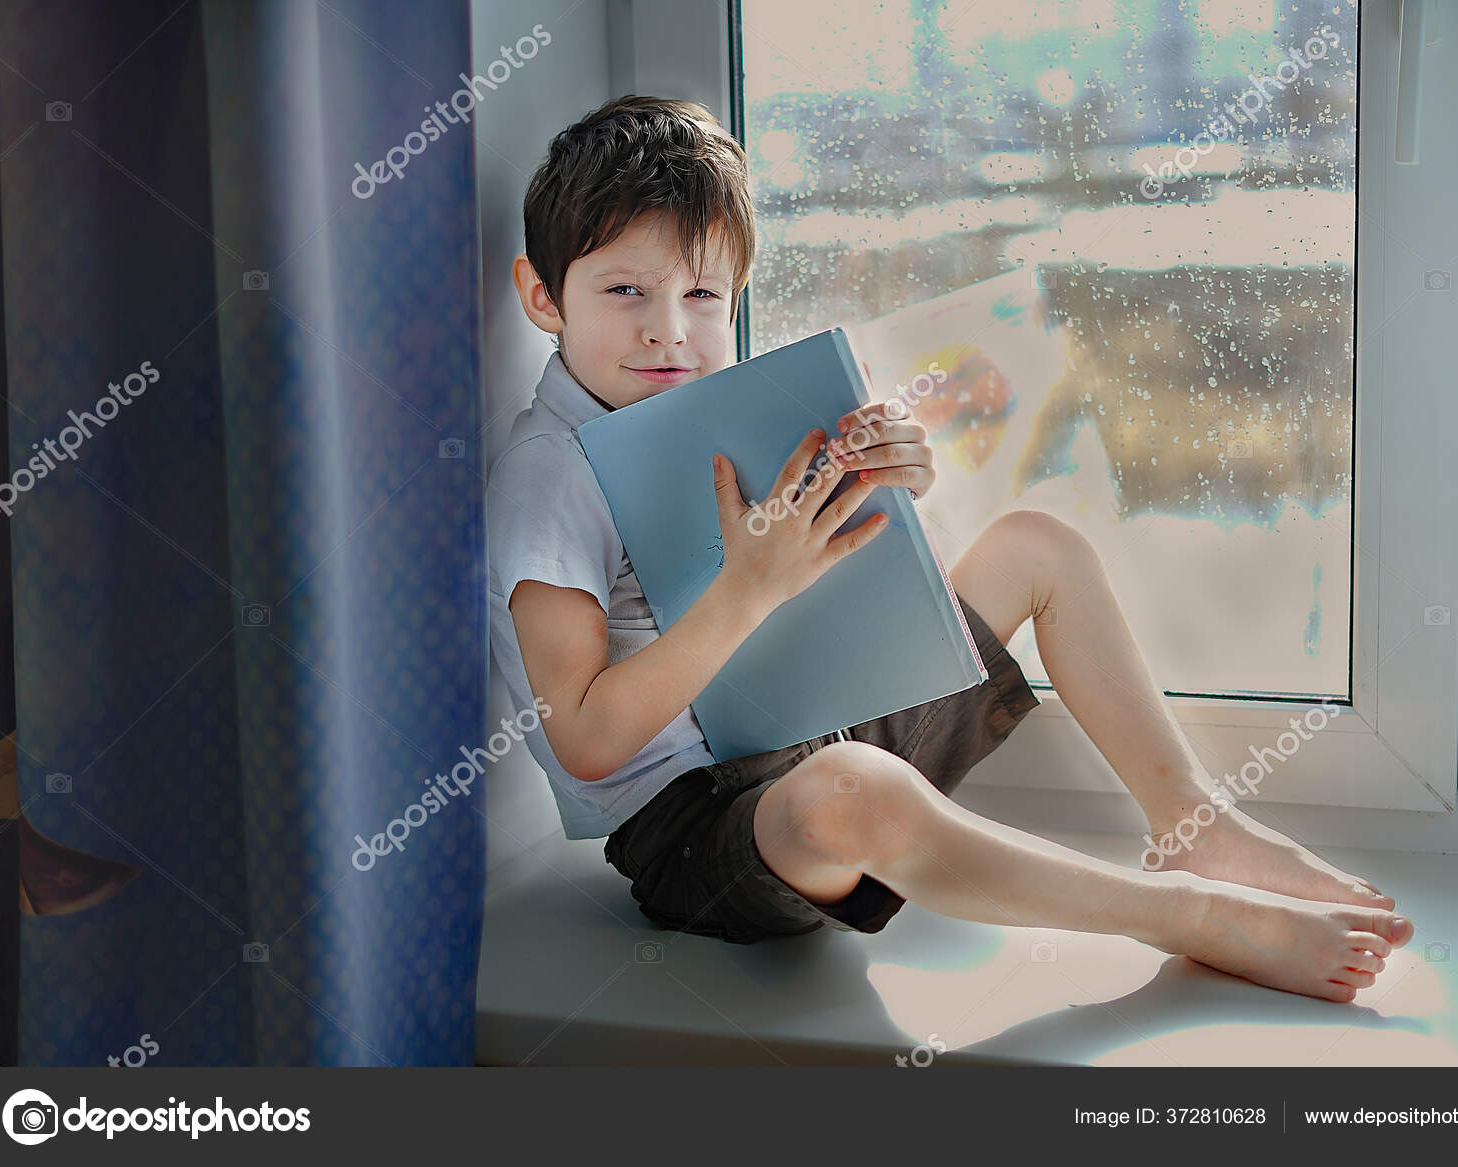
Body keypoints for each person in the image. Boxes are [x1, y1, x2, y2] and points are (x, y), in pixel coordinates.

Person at [488, 95, 1411, 1003]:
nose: (669, 329)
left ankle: (1195, 823)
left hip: (808, 726)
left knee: (1036, 546)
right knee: (853, 788)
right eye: (625, 291)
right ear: (543, 296)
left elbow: (807, 588)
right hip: (705, 823)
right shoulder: (550, 474)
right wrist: (748, 591)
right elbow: (587, 739)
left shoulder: (704, 408)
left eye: (701, 295)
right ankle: (1187, 915)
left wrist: (887, 486)